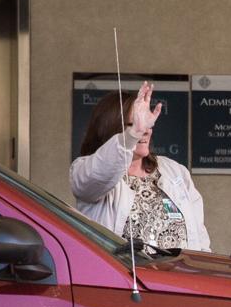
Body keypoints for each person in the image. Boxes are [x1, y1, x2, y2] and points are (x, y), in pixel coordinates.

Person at [70, 81, 211, 252]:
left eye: (147, 124)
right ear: (110, 127)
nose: (145, 131)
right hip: (123, 279)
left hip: (178, 278)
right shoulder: (85, 170)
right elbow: (100, 173)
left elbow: (200, 238)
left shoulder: (174, 170)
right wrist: (131, 136)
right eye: (135, 124)